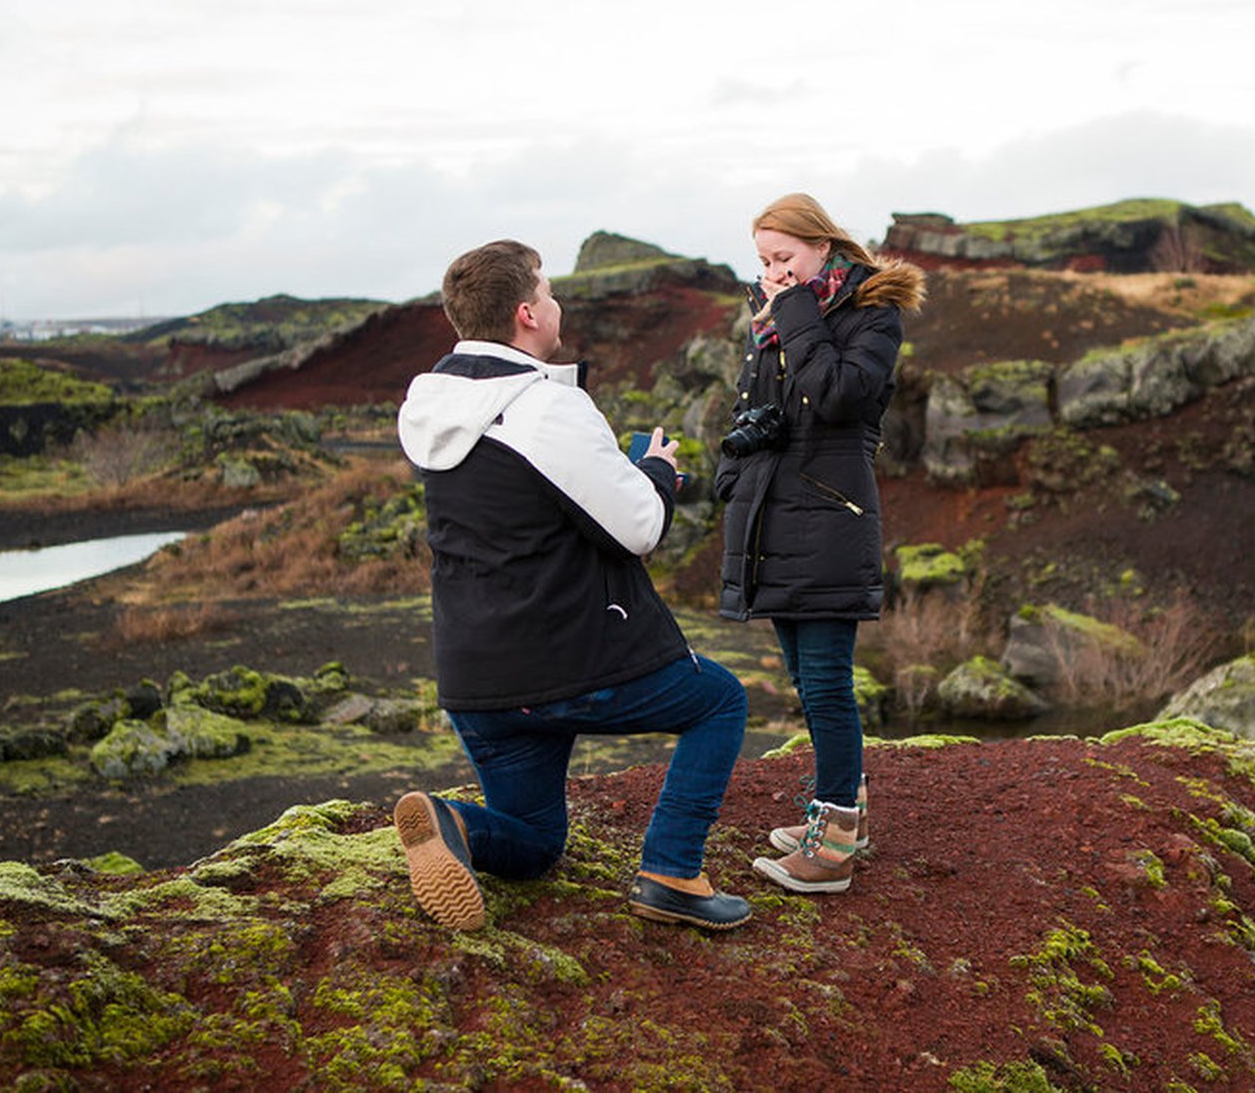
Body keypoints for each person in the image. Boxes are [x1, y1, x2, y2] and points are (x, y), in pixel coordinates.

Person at [393, 239, 752, 932]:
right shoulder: (546, 406)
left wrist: (611, 471)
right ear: (527, 313)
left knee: (533, 843)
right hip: (568, 661)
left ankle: (451, 825)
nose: (557, 303)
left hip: (479, 683)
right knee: (719, 703)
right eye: (550, 292)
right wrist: (653, 471)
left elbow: (522, 506)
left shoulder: (433, 411)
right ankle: (673, 871)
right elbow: (639, 528)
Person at [717, 192, 925, 894]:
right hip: (776, 518)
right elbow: (756, 407)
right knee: (808, 684)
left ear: (821, 247)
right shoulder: (782, 312)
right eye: (764, 260)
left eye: (783, 257)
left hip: (831, 519)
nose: (772, 271)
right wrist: (730, 480)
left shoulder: (871, 310)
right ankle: (845, 816)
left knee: (829, 686)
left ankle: (832, 847)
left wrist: (795, 310)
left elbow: (838, 396)